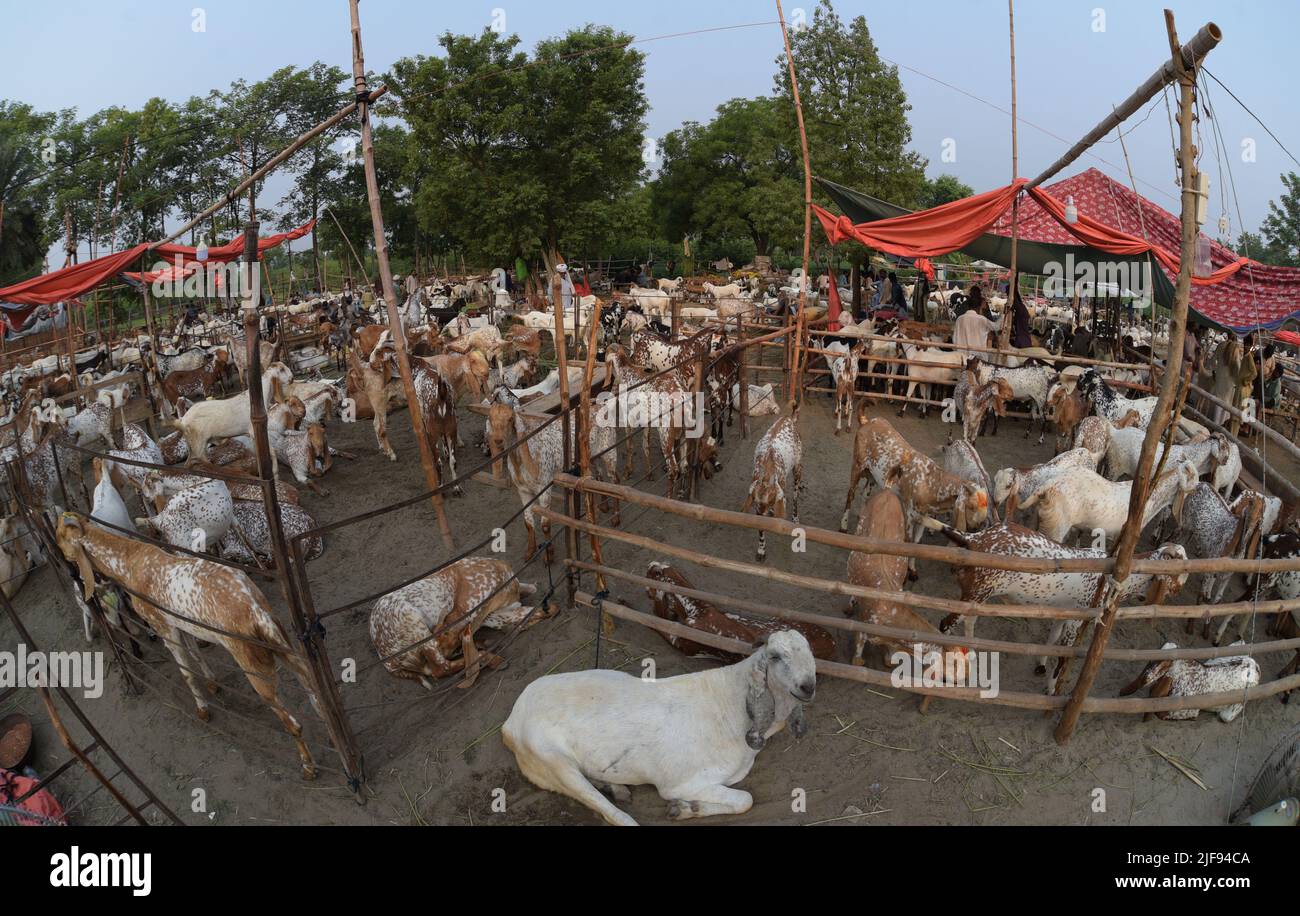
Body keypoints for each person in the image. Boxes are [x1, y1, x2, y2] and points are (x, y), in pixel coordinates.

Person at [952, 288, 1001, 355]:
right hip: (978, 357)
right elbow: (997, 327)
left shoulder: (959, 319)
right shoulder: (982, 319)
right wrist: (1003, 315)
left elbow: (954, 338)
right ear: (980, 306)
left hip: (961, 356)